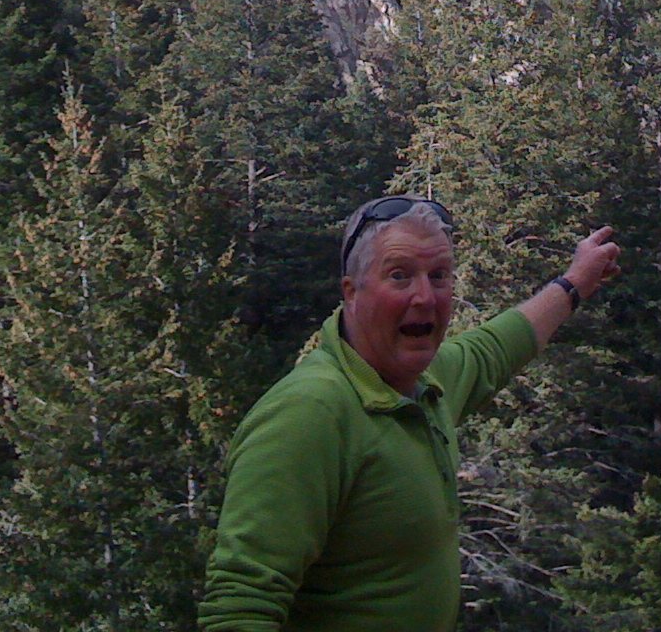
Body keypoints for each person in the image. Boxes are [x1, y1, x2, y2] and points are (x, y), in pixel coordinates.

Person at [199, 195, 622, 631]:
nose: (425, 296)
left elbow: (495, 349)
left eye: (438, 275)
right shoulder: (309, 414)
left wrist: (574, 283)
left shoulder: (423, 385)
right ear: (351, 292)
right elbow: (241, 606)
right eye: (399, 275)